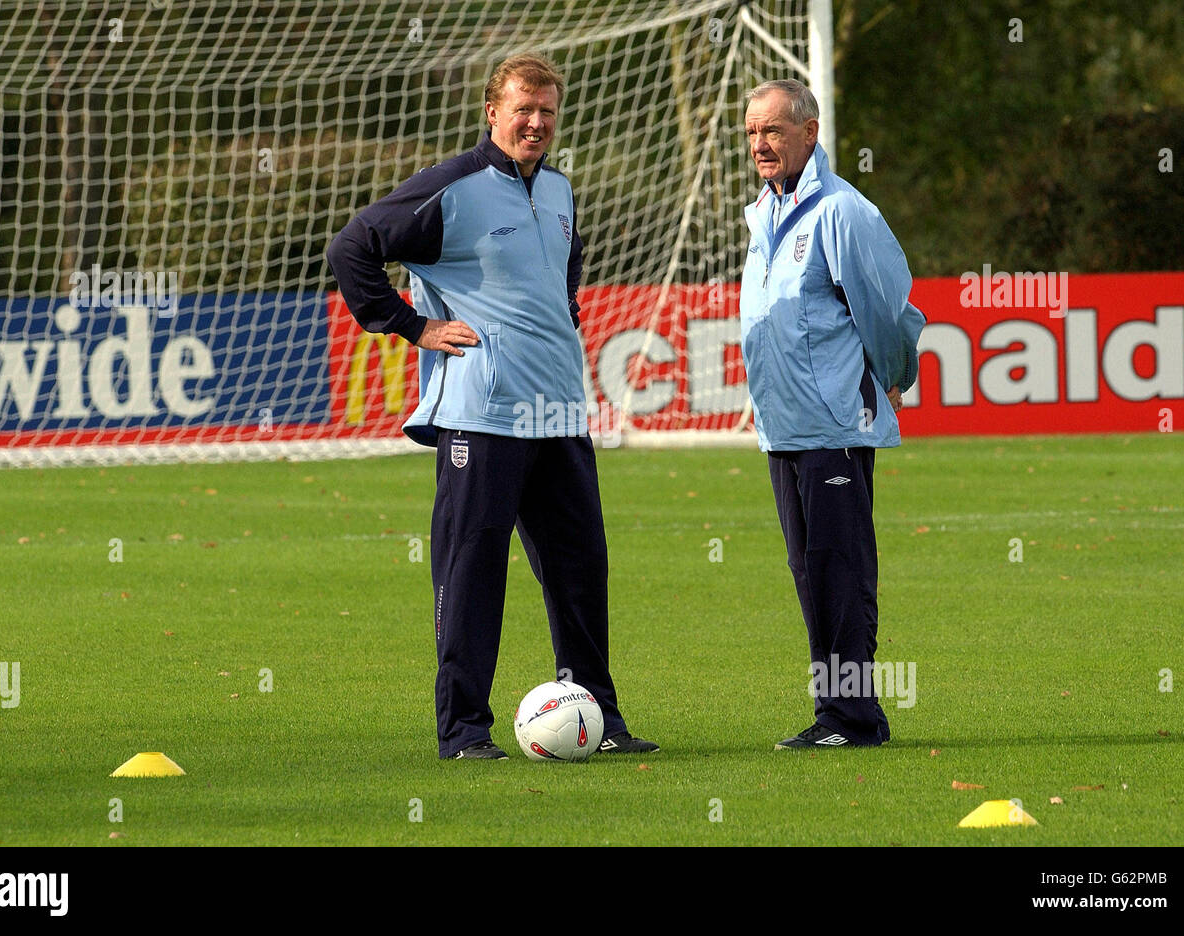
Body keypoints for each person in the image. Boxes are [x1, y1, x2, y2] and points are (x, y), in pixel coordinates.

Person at [326, 53, 657, 760]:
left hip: (560, 414)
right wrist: (414, 326)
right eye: (522, 110)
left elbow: (566, 263)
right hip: (483, 416)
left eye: (546, 111)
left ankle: (599, 722)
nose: (535, 123)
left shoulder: (562, 189)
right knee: (473, 570)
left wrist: (561, 310)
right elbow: (353, 246)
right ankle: (464, 732)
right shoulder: (451, 187)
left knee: (580, 571)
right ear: (491, 113)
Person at [738, 79, 925, 749]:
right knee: (811, 574)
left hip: (834, 427)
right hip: (782, 429)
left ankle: (852, 717)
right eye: (753, 131)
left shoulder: (842, 212)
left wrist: (895, 375)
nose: (761, 143)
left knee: (841, 575)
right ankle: (838, 714)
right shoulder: (763, 211)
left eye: (774, 131)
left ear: (809, 133)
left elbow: (889, 309)